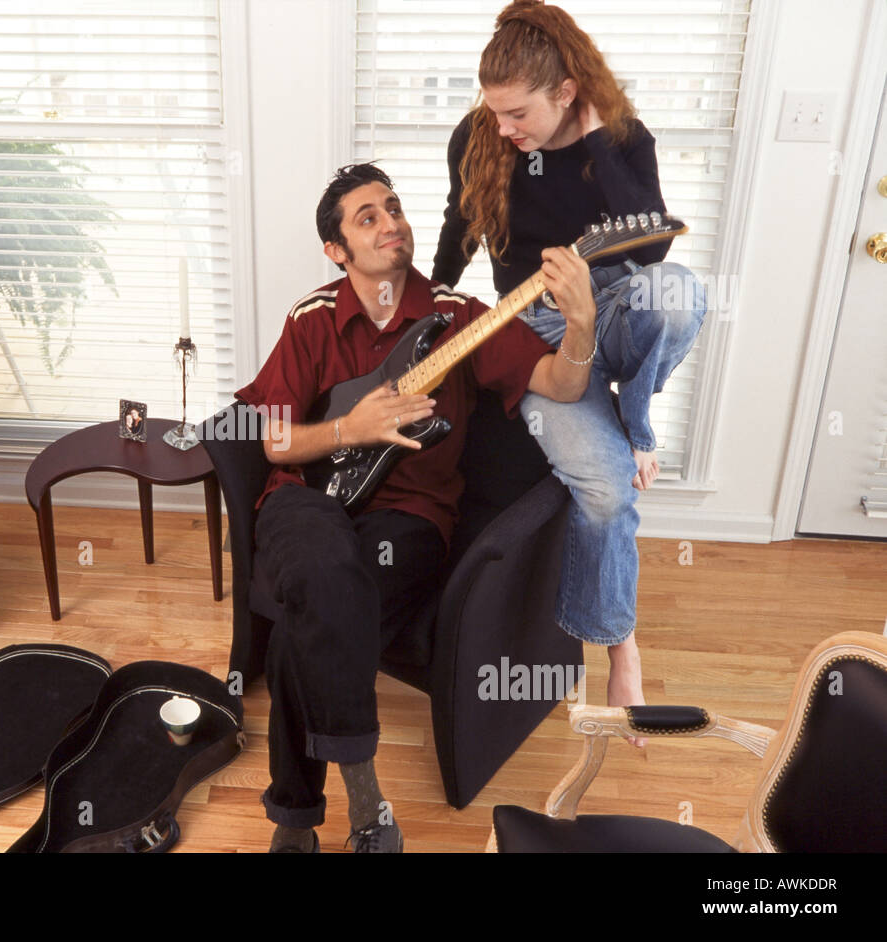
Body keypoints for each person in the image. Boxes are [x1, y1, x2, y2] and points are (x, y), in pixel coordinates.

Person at [235, 162, 597, 852]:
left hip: (407, 520)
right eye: (366, 216)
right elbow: (277, 441)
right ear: (336, 251)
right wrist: (350, 430)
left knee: (296, 631)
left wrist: (579, 324)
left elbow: (559, 383)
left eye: (393, 207)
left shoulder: (459, 318)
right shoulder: (312, 319)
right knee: (318, 566)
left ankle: (295, 820)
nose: (389, 221)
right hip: (306, 500)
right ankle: (368, 806)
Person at [432, 0, 707, 745]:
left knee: (680, 292)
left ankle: (638, 422)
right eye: (494, 112)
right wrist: (432, 292)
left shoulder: (619, 138)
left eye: (518, 113)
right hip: (538, 330)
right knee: (607, 489)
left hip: (616, 305)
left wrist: (595, 143)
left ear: (565, 93)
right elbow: (459, 225)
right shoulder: (480, 135)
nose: (503, 129)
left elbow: (649, 251)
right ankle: (619, 646)